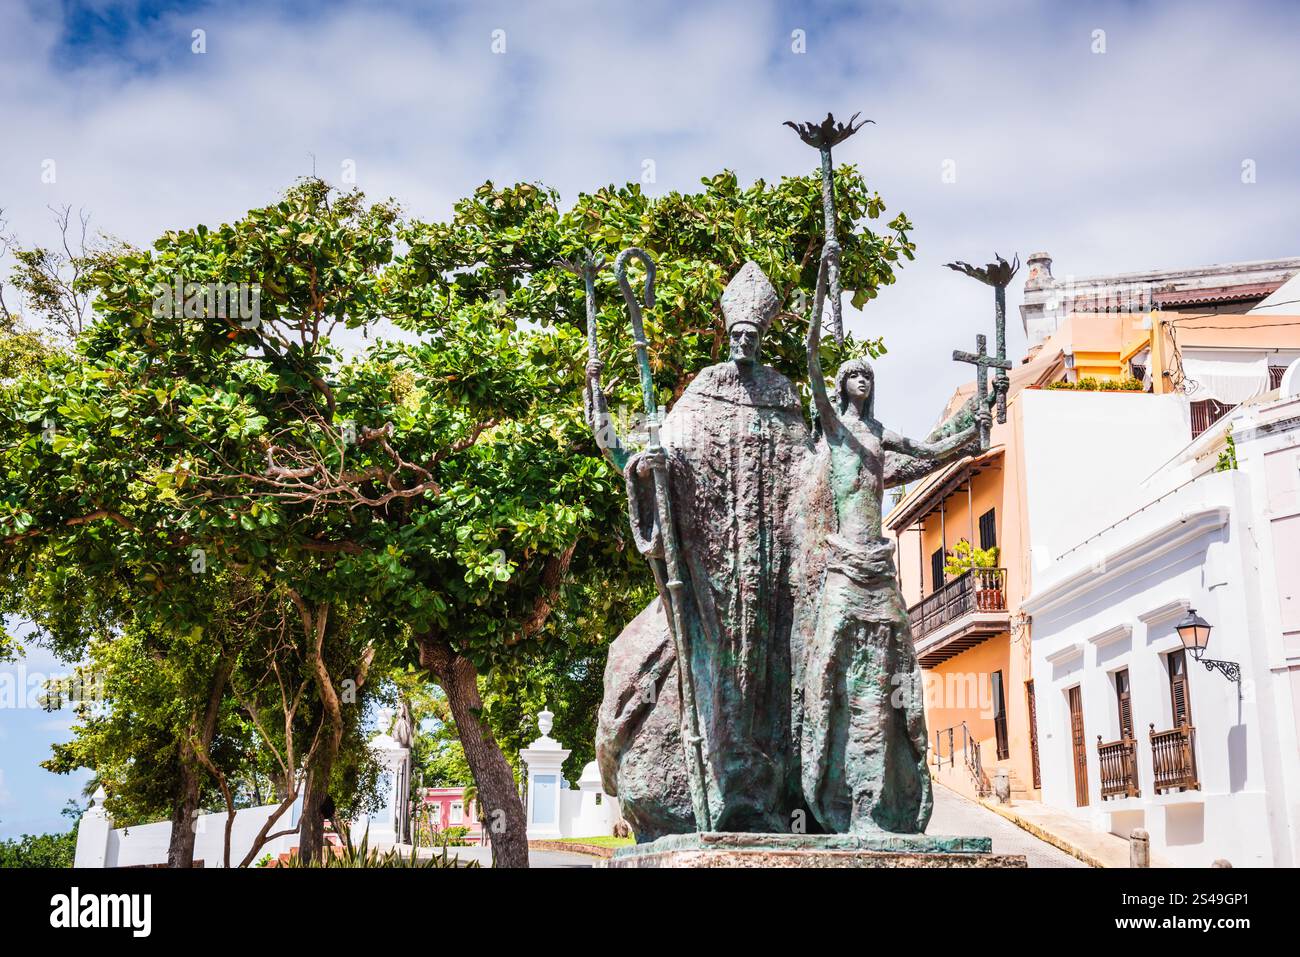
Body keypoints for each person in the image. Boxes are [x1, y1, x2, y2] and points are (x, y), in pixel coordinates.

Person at [798, 241, 987, 834]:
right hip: (841, 567)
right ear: (840, 383)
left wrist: (977, 418)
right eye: (850, 373)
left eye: (865, 375)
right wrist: (824, 284)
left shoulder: (880, 435)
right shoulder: (834, 429)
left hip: (880, 570)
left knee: (891, 674)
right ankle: (816, 789)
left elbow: (931, 451)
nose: (858, 380)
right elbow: (809, 364)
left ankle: (884, 804)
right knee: (827, 664)